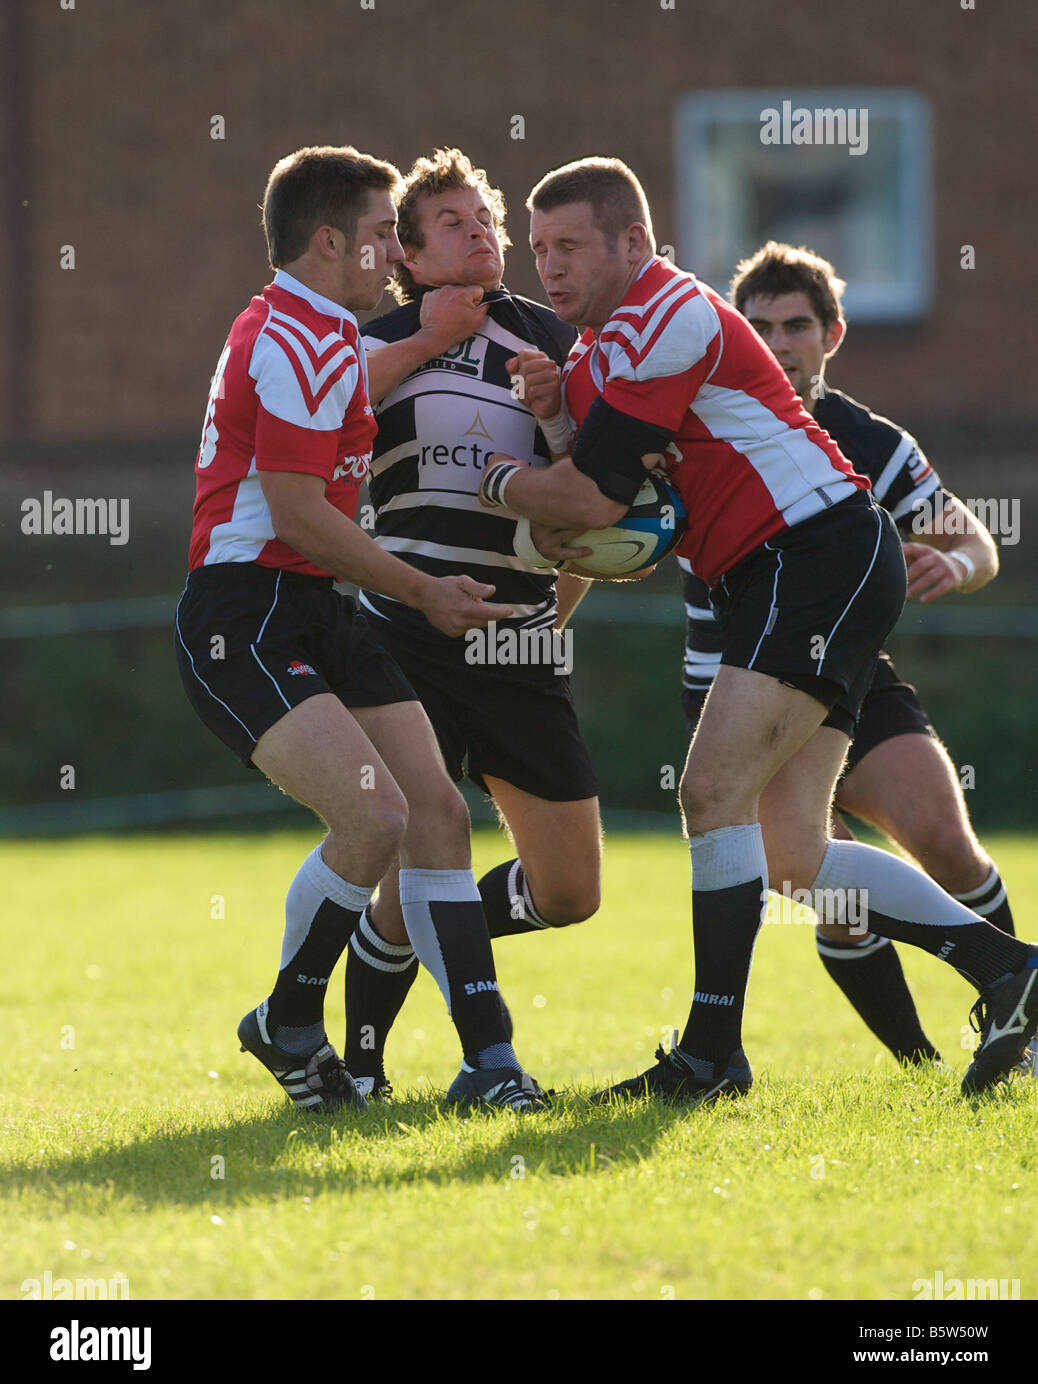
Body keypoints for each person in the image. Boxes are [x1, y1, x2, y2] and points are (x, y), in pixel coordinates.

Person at [481, 156, 1037, 1101]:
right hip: (778, 576)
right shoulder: (592, 355)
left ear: (635, 243)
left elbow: (582, 502)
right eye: (538, 250)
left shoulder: (667, 313)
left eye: (570, 245)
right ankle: (1009, 971)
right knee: (792, 856)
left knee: (709, 790)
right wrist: (556, 416)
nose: (551, 269)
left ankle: (709, 1055)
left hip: (813, 554)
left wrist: (497, 485)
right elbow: (620, 525)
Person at [174, 144, 545, 1114]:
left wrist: (428, 339)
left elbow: (365, 378)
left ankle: (490, 1062)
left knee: (438, 814)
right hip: (243, 608)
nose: (393, 250)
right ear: (330, 240)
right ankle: (292, 1021)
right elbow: (298, 513)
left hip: (314, 605)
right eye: (384, 233)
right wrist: (423, 590)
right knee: (374, 816)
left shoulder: (325, 332)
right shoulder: (286, 339)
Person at [677, 240, 1019, 1067]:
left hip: (849, 676)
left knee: (940, 833)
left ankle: (1020, 1018)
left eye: (797, 325)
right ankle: (920, 1065)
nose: (778, 342)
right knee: (818, 882)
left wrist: (958, 560)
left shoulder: (868, 439)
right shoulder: (696, 417)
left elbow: (974, 540)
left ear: (833, 334)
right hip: (730, 680)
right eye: (758, 326)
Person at [339, 148, 601, 1099]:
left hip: (519, 636)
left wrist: (559, 418)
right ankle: (392, 1064)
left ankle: (402, 926)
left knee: (572, 892)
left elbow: (593, 504)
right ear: (405, 252)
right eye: (452, 222)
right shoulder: (371, 336)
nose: (480, 233)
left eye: (485, 219)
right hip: (401, 633)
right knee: (433, 829)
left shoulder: (552, 341)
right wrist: (422, 339)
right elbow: (324, 423)